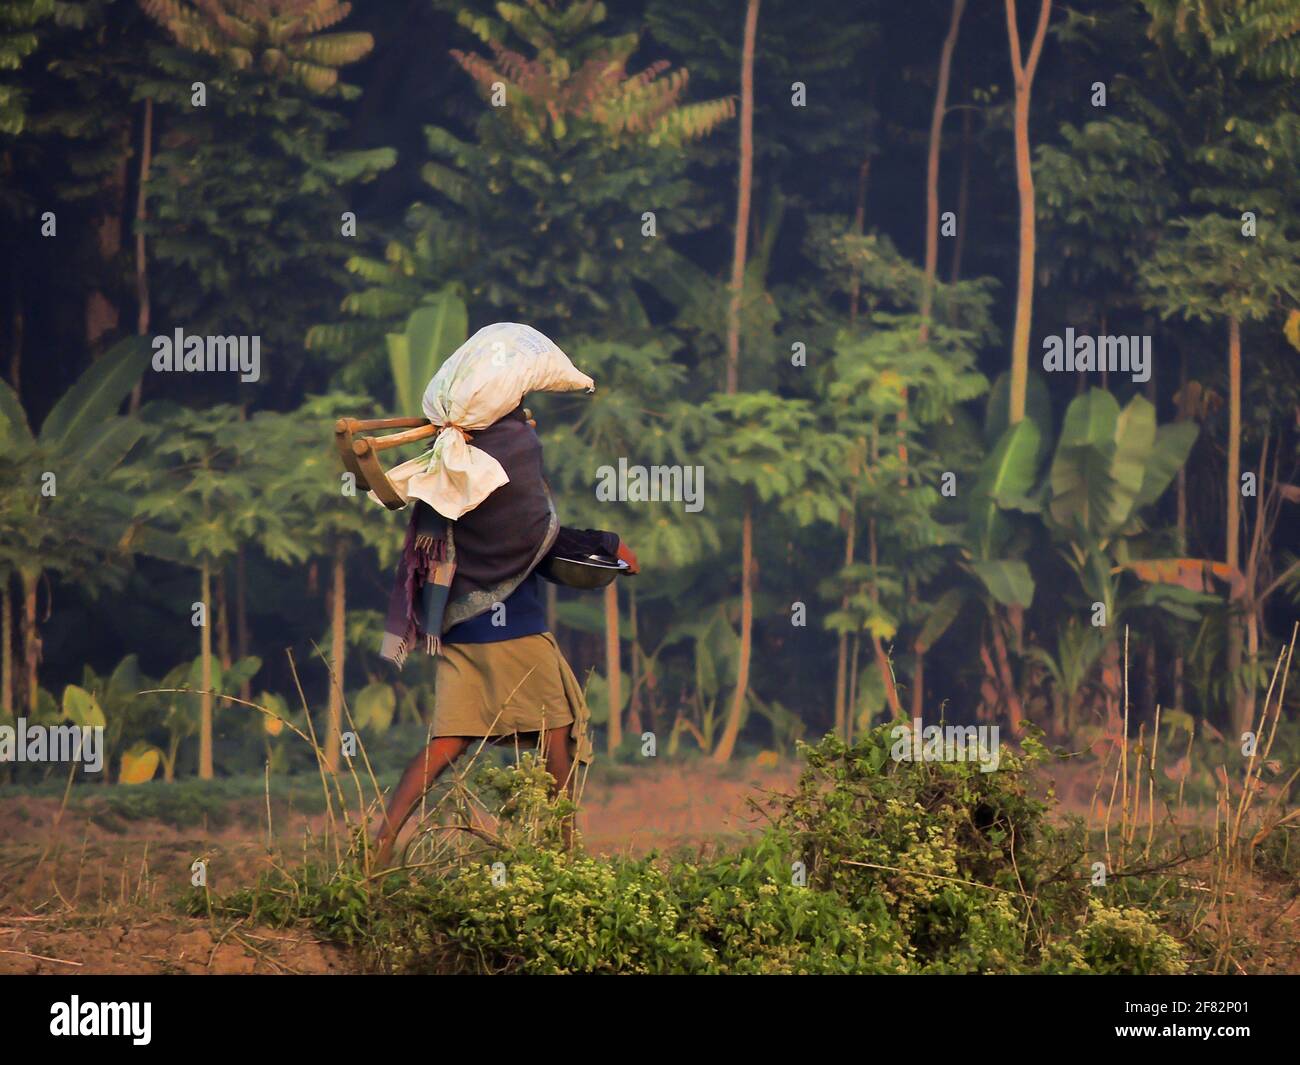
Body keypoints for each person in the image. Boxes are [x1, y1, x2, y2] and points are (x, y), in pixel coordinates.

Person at [372, 401, 637, 868]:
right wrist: (610, 546)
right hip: (514, 629)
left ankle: (380, 841)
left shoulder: (451, 463)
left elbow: (528, 536)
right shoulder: (510, 449)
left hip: (458, 627)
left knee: (449, 740)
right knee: (560, 731)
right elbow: (537, 535)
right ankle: (563, 853)